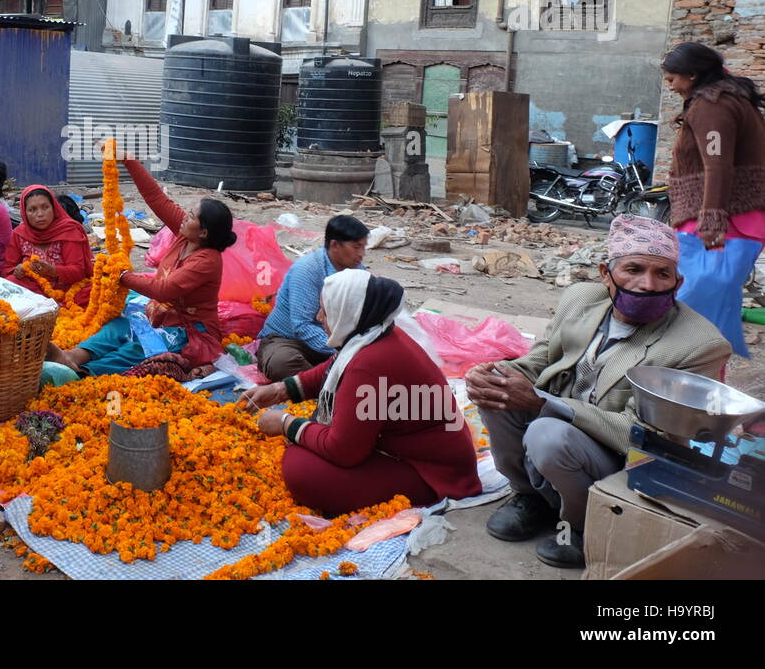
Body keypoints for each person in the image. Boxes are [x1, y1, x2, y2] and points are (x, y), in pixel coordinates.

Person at [471, 214, 730, 568]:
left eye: (662, 274)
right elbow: (542, 357)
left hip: (623, 455)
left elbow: (648, 436)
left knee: (548, 434)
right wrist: (494, 375)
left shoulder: (698, 345)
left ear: (678, 282)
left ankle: (582, 523)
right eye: (634, 269)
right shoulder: (581, 299)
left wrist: (543, 403)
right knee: (497, 394)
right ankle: (530, 497)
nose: (648, 284)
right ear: (605, 274)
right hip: (563, 424)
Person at [242, 270, 481, 517]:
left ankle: (420, 492)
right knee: (306, 447)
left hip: (433, 471)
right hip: (418, 450)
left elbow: (344, 451)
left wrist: (286, 424)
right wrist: (280, 390)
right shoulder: (374, 334)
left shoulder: (370, 362)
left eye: (326, 310)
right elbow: (334, 367)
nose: (319, 317)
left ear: (349, 312)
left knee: (302, 471)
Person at [53, 153, 235, 377]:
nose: (185, 217)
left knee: (139, 348)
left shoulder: (207, 260)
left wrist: (122, 275)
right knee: (119, 327)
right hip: (161, 317)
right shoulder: (186, 234)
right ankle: (71, 356)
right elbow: (157, 198)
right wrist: (129, 160)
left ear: (204, 232)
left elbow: (163, 290)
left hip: (189, 332)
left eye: (191, 216)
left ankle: (83, 372)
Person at [661, 41, 765, 359]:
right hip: (734, 217)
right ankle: (706, 377)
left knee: (693, 304)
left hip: (723, 221)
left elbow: (717, 161)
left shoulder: (713, 106)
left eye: (672, 78)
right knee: (717, 307)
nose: (671, 86)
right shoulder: (728, 100)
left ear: (692, 75)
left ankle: (683, 374)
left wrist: (712, 218)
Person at [255, 215, 369, 380]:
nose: (361, 254)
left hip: (337, 341)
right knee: (281, 363)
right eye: (356, 247)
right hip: (289, 340)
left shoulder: (359, 272)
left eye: (364, 247)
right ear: (335, 245)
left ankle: (329, 376)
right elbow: (301, 326)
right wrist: (342, 350)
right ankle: (325, 382)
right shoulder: (307, 269)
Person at [1, 185, 94, 304]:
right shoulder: (19, 234)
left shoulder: (68, 230)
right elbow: (7, 268)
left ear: (54, 208)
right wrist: (17, 270)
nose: (40, 214)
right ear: (24, 212)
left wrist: (53, 271)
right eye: (32, 209)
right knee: (9, 284)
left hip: (67, 289)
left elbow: (78, 271)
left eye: (45, 207)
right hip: (32, 289)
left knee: (95, 292)